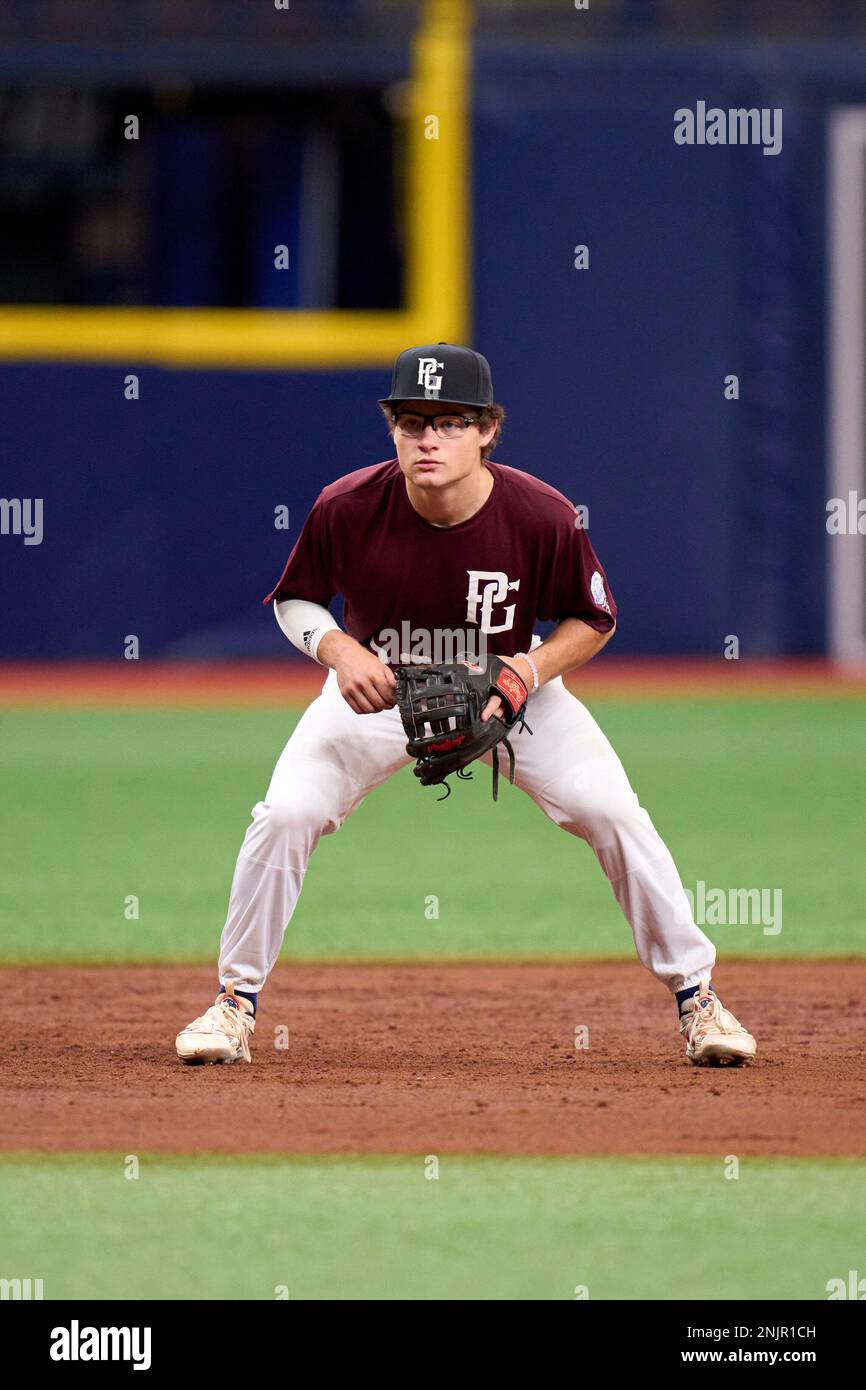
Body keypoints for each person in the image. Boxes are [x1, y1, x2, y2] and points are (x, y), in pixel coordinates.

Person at [175, 343, 756, 1069]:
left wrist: (531, 670)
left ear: (487, 430)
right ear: (391, 428)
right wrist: (338, 650)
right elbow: (297, 597)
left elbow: (594, 616)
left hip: (510, 695)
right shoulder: (347, 507)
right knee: (285, 815)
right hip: (376, 691)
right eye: (412, 421)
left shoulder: (539, 515)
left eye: (450, 423)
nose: (428, 439)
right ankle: (235, 1002)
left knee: (611, 812)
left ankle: (698, 998)